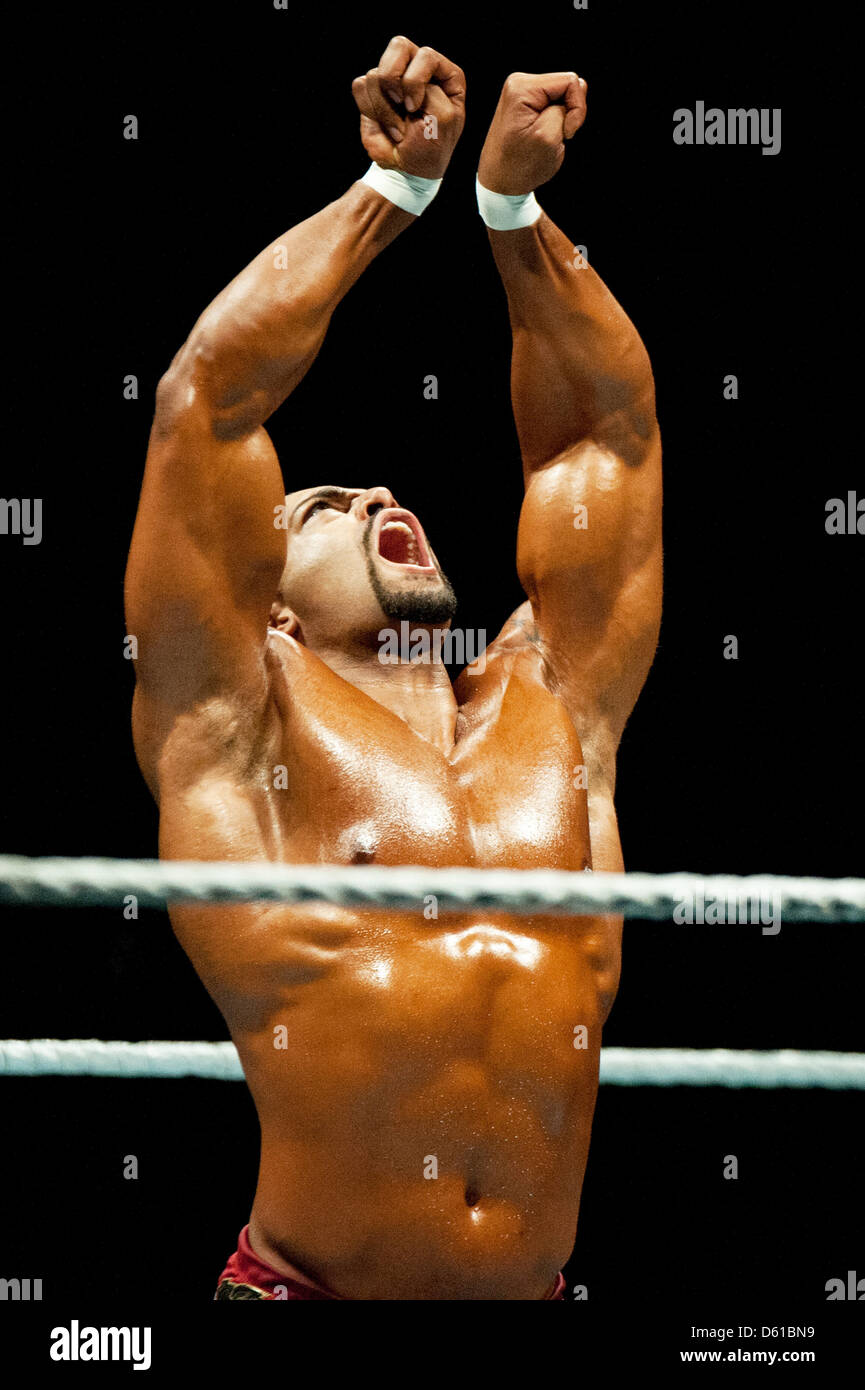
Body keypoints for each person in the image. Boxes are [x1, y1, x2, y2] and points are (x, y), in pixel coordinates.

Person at [124, 34, 662, 1300]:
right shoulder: (240, 721)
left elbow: (609, 436)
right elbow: (206, 404)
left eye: (379, 490)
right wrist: (393, 196)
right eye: (322, 506)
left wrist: (511, 210)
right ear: (268, 611)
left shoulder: (558, 705)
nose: (374, 492)